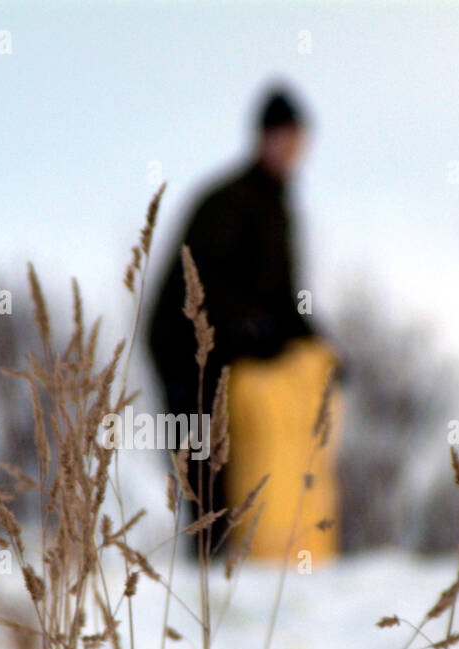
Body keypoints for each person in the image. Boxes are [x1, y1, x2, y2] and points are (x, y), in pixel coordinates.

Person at [146, 84, 342, 562]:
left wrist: (320, 347)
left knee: (234, 468)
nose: (291, 149)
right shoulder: (226, 201)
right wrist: (251, 330)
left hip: (226, 355)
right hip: (182, 349)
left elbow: (286, 298)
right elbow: (202, 285)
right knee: (203, 474)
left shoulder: (280, 209)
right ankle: (203, 593)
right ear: (263, 138)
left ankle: (232, 583)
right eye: (283, 137)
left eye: (298, 139)